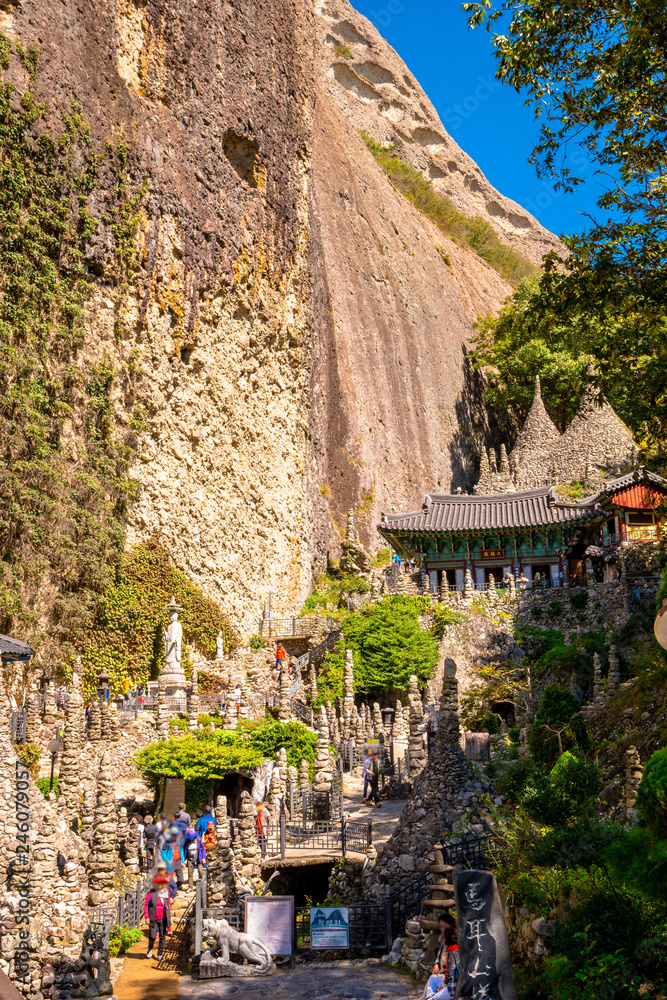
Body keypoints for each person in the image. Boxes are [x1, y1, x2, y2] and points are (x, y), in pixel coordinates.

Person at [421, 918, 458, 999]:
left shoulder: (453, 952)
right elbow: (441, 958)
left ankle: (430, 997)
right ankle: (429, 996)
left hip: (453, 986)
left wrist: (442, 985)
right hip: (449, 980)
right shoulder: (452, 949)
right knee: (432, 979)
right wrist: (437, 965)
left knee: (433, 996)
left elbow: (450, 974)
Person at [144, 873, 172, 962]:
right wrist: (147, 917)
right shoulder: (151, 893)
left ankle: (160, 954)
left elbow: (168, 905)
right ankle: (150, 948)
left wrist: (168, 918)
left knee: (162, 937)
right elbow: (146, 905)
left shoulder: (166, 893)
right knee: (152, 936)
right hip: (153, 918)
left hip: (163, 918)